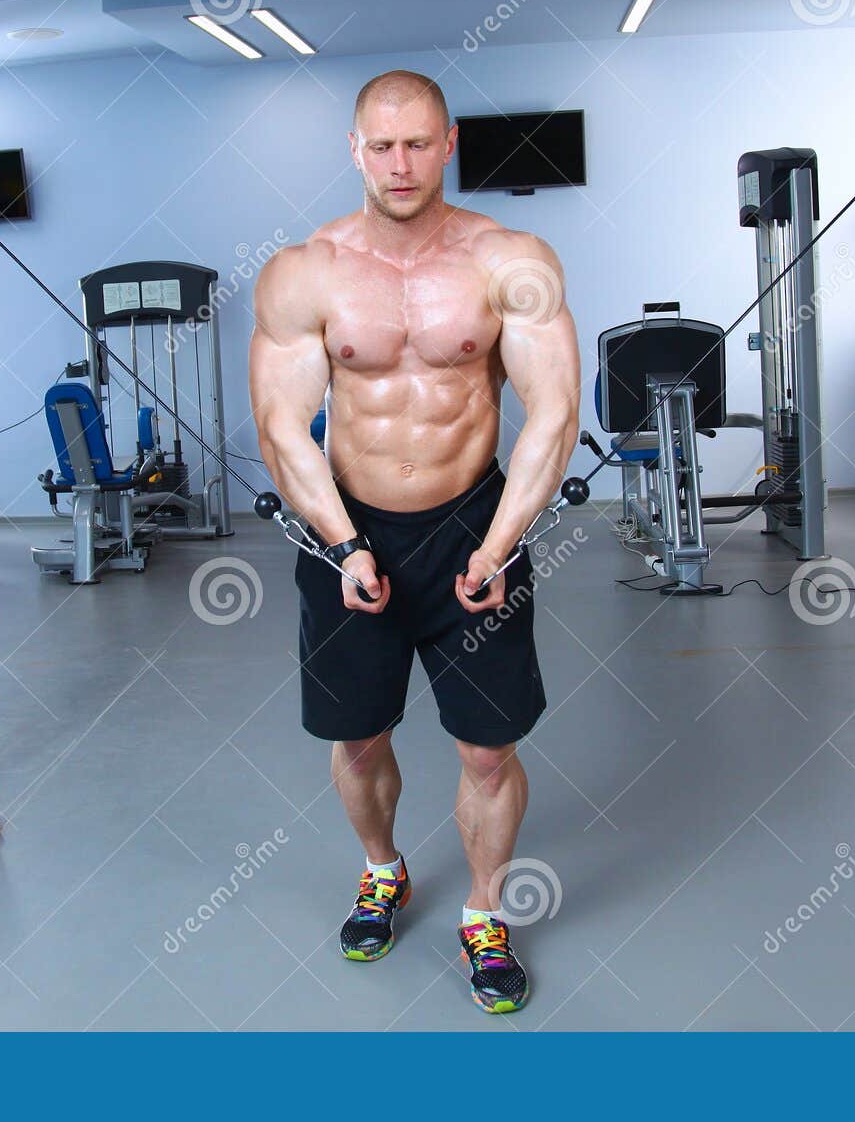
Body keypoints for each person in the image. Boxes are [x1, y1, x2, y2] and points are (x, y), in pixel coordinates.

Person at [249, 69, 580, 1013]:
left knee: (487, 751)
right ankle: (381, 867)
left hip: (474, 526)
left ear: (449, 145)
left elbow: (553, 412)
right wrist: (344, 544)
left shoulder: (508, 259)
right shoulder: (304, 272)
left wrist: (503, 539)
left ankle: (483, 912)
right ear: (356, 150)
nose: (400, 163)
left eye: (418, 143)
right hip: (349, 532)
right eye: (381, 145)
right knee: (358, 741)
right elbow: (282, 426)